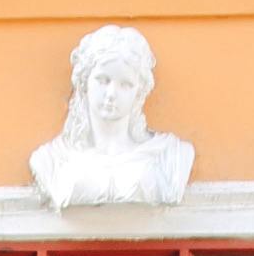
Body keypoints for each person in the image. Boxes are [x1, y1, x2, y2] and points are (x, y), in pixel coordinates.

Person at [30, 24, 195, 208]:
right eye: (103, 80)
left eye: (125, 84)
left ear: (139, 93)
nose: (111, 93)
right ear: (84, 82)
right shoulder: (51, 159)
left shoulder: (170, 156)